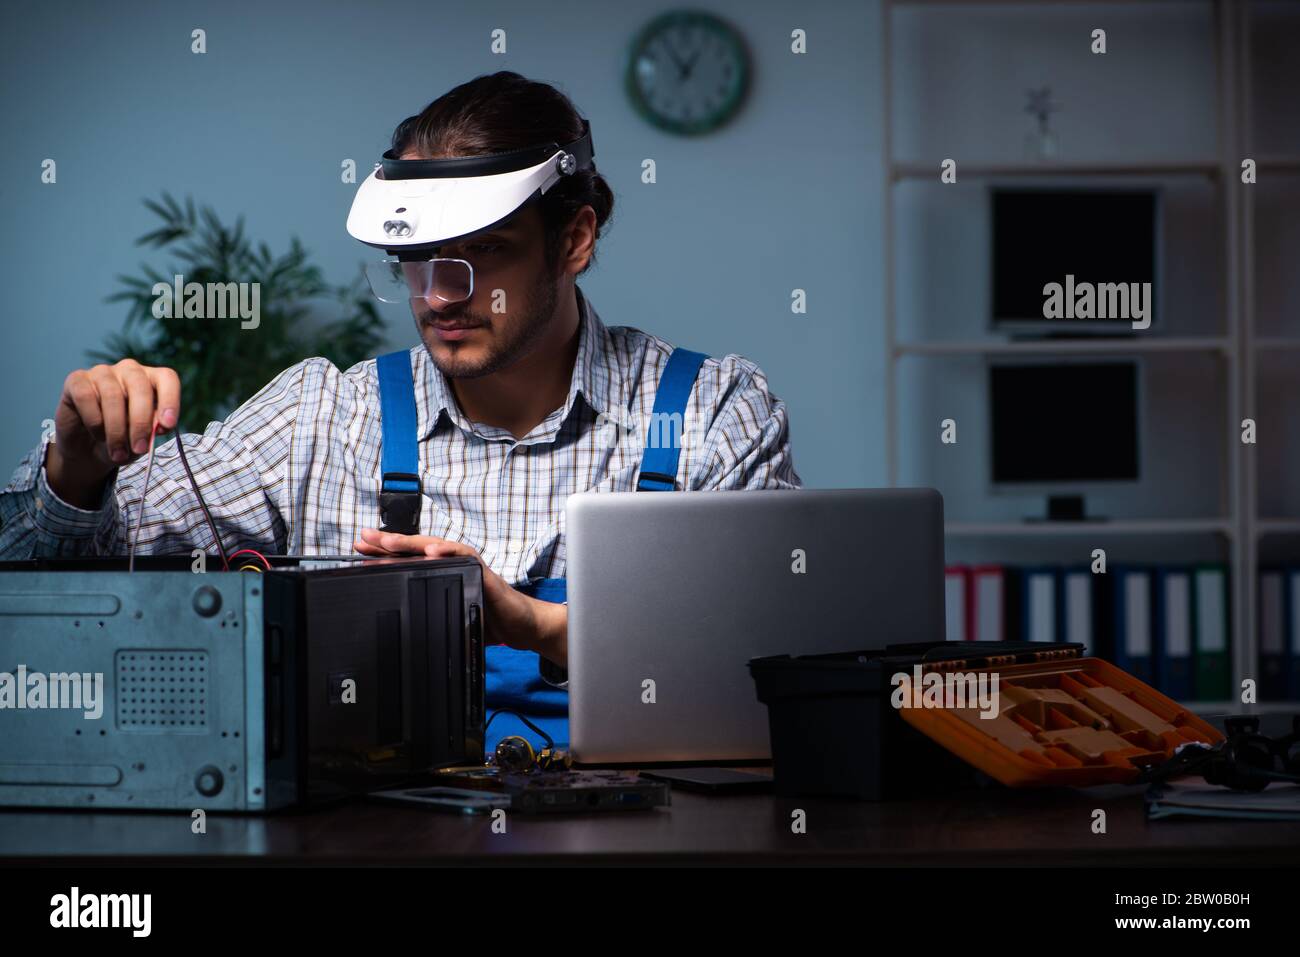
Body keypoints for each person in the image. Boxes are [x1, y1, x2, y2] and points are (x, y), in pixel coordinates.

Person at [0, 71, 800, 749]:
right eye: (415, 260)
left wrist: (538, 625)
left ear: (575, 239)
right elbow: (52, 594)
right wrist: (77, 468)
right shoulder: (321, 419)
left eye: (483, 253)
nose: (440, 296)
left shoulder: (708, 412)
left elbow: (789, 666)